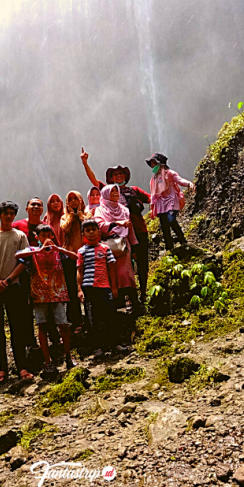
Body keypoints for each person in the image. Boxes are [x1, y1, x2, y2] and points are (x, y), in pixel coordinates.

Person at [80, 148, 151, 315]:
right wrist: (85, 162)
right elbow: (93, 180)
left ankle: (141, 297)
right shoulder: (105, 199)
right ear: (110, 180)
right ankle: (120, 302)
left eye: (121, 174)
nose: (119, 176)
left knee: (140, 266)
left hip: (134, 233)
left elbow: (151, 198)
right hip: (112, 241)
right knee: (117, 272)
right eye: (115, 174)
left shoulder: (133, 191)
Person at [0, 201, 34, 382]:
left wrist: (8, 280)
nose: (8, 216)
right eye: (5, 213)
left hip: (13, 287)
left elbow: (24, 262)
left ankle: (22, 368)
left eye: (11, 213)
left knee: (18, 329)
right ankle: (2, 369)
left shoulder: (20, 236)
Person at [15, 224, 79, 372]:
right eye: (42, 236)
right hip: (39, 294)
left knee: (63, 325)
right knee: (42, 326)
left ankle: (68, 357)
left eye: (48, 235)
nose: (46, 239)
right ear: (37, 237)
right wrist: (39, 250)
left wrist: (58, 248)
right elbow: (17, 255)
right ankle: (47, 361)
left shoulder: (57, 251)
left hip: (58, 293)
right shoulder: (32, 250)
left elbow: (76, 257)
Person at [93, 184, 140, 327]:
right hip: (108, 247)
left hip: (124, 246)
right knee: (112, 276)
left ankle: (133, 305)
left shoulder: (124, 210)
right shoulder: (100, 210)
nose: (115, 193)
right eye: (112, 191)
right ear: (106, 194)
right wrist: (116, 223)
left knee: (126, 275)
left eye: (116, 191)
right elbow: (99, 225)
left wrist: (135, 246)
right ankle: (117, 307)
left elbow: (129, 228)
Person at [77, 219, 118, 355]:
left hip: (105, 287)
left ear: (98, 232)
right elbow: (79, 271)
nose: (91, 233)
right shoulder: (81, 251)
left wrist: (114, 287)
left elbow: (111, 268)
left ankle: (113, 344)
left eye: (93, 230)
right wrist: (79, 289)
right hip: (89, 288)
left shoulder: (105, 248)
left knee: (110, 316)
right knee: (92, 318)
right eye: (88, 231)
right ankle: (97, 347)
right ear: (83, 234)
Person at [147, 153, 195, 251]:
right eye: (151, 164)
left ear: (160, 163)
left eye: (154, 163)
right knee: (164, 226)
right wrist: (152, 209)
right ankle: (169, 248)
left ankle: (182, 241)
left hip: (171, 201)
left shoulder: (169, 173)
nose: (152, 166)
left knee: (171, 220)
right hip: (160, 204)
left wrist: (188, 184)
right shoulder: (154, 179)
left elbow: (179, 180)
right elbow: (153, 194)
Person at [60, 191, 89, 333]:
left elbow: (90, 225)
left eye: (75, 199)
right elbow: (64, 228)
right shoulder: (64, 217)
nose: (73, 201)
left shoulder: (87, 214)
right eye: (70, 199)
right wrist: (72, 215)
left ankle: (90, 317)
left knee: (88, 286)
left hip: (87, 255)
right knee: (72, 289)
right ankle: (75, 319)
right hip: (71, 256)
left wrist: (80, 215)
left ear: (81, 200)